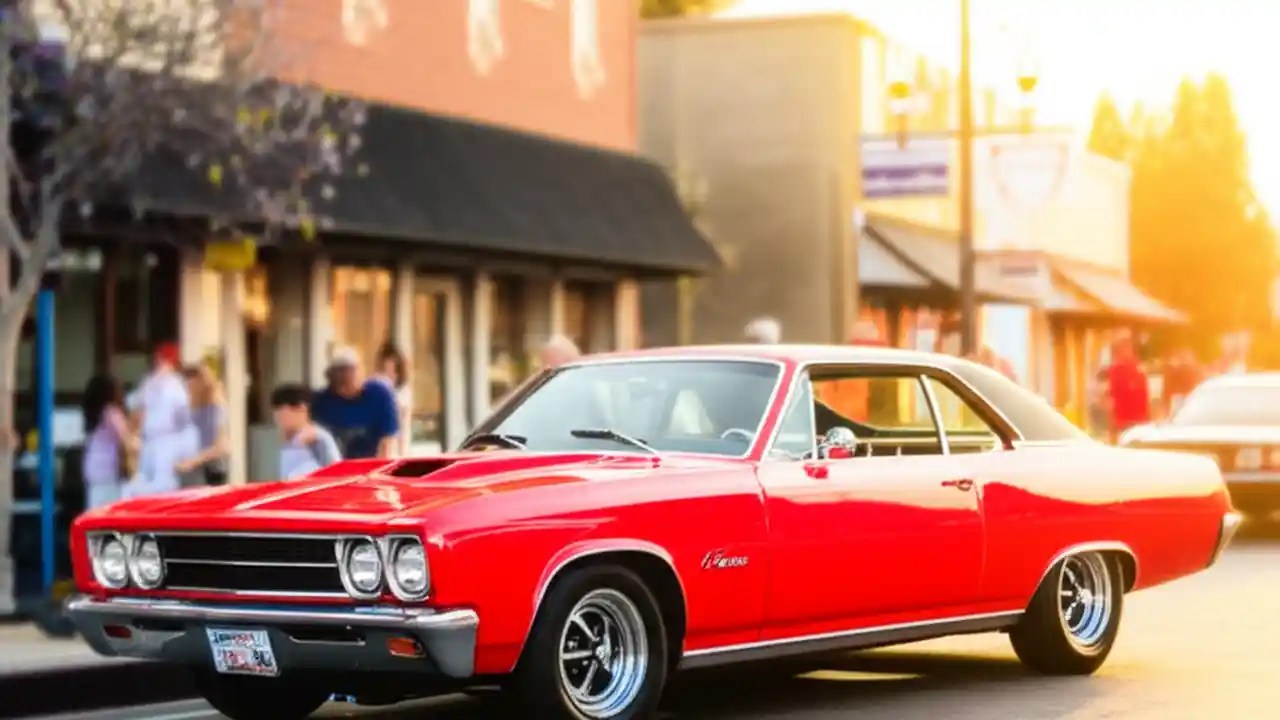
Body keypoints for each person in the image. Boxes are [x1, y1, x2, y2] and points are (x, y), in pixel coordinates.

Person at [125, 342, 191, 498]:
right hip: (148, 439)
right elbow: (134, 404)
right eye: (158, 358)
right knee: (142, 482)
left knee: (164, 485)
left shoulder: (177, 385)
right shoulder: (149, 381)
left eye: (163, 358)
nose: (159, 361)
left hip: (168, 440)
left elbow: (183, 417)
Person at [312, 346, 400, 459]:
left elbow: (387, 440)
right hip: (333, 464)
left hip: (370, 461)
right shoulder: (321, 401)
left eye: (352, 381)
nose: (347, 390)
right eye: (342, 384)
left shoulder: (379, 394)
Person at [81, 375, 138, 510]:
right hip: (107, 471)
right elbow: (127, 439)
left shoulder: (94, 414)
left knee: (94, 510)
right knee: (108, 511)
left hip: (92, 470)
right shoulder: (111, 413)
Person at [272, 384, 343, 479]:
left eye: (283, 412)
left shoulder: (317, 437)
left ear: (302, 409)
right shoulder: (284, 440)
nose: (279, 417)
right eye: (276, 410)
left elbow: (337, 472)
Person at [175, 364, 230, 486]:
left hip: (210, 472)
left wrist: (192, 462)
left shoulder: (214, 409)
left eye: (192, 386)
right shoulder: (187, 410)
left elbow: (222, 446)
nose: (189, 390)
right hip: (189, 473)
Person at [1107, 333, 1150, 444]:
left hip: (1138, 420)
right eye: (1123, 348)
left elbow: (1144, 395)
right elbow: (1113, 396)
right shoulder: (1116, 370)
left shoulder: (1138, 368)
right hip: (1123, 421)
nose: (1127, 351)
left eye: (1128, 347)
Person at [371, 341, 412, 454]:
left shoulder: (403, 393)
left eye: (394, 371)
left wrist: (403, 453)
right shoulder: (374, 388)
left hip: (395, 448)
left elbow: (403, 428)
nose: (390, 375)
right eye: (385, 370)